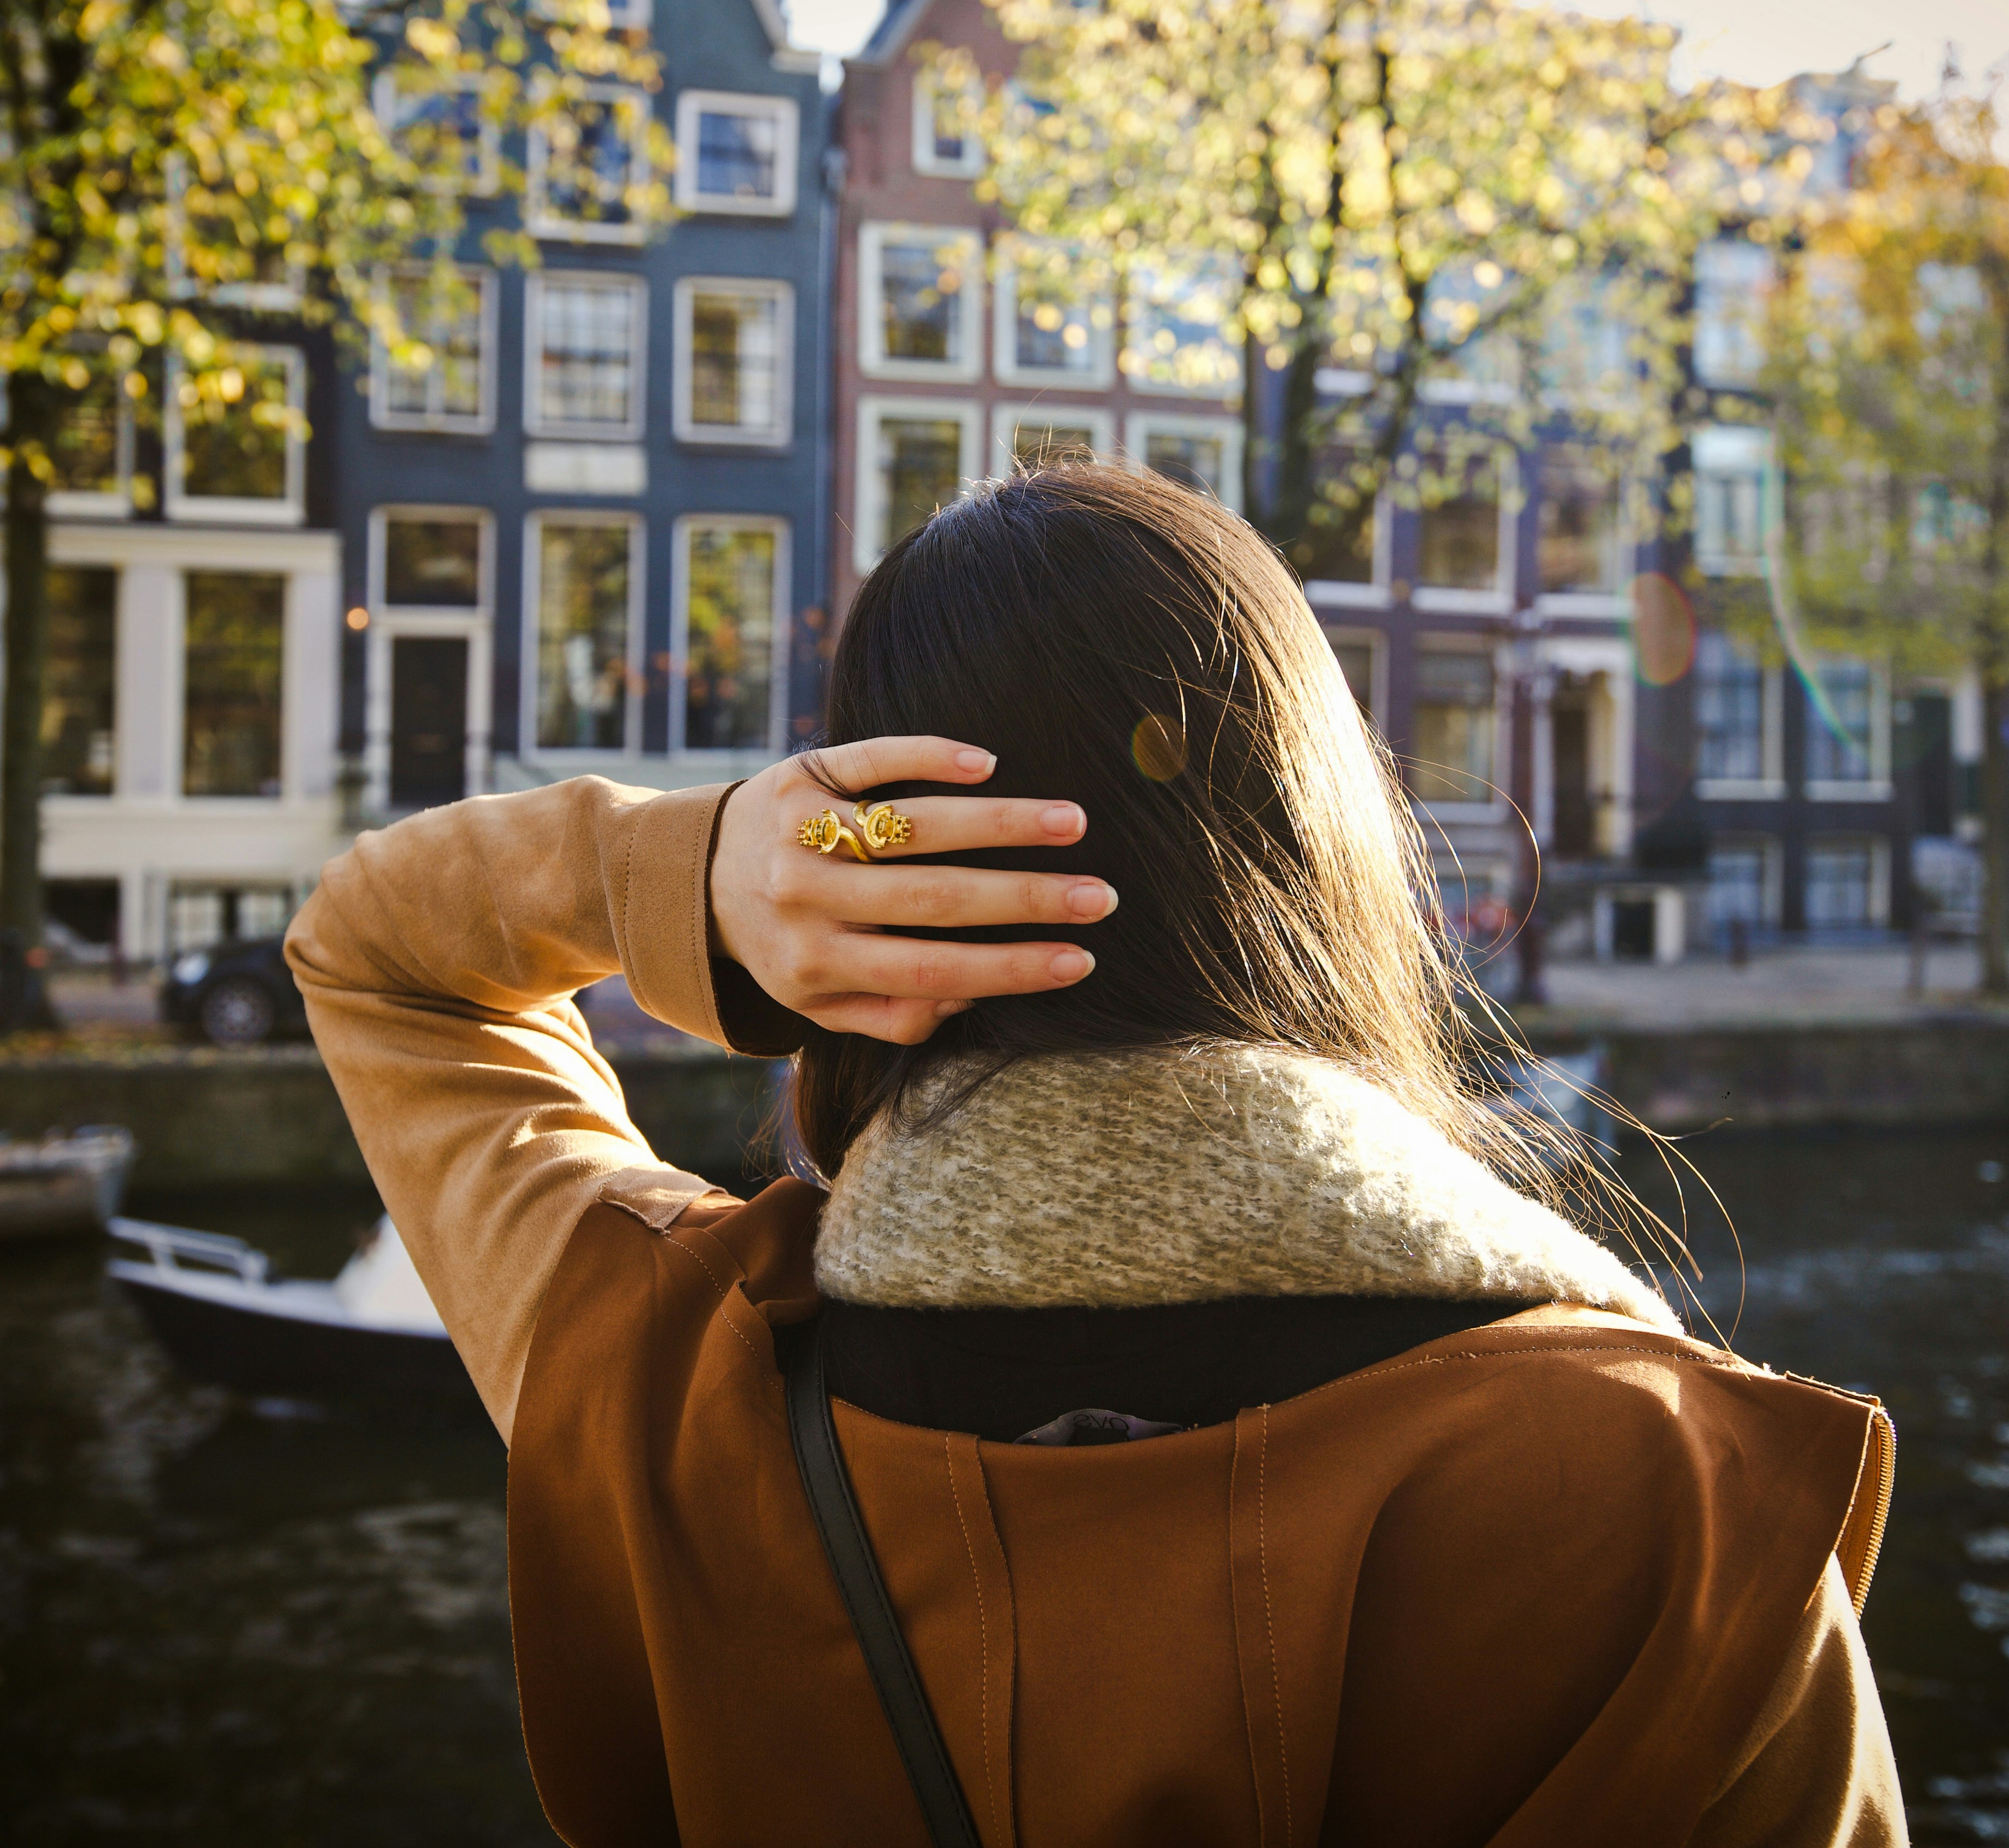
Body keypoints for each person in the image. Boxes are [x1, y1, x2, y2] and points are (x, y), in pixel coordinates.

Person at [288, 464, 1904, 1847]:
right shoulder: (1675, 1513)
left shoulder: (657, 1382)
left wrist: (690, 865)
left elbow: (375, 954)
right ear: (1320, 836)